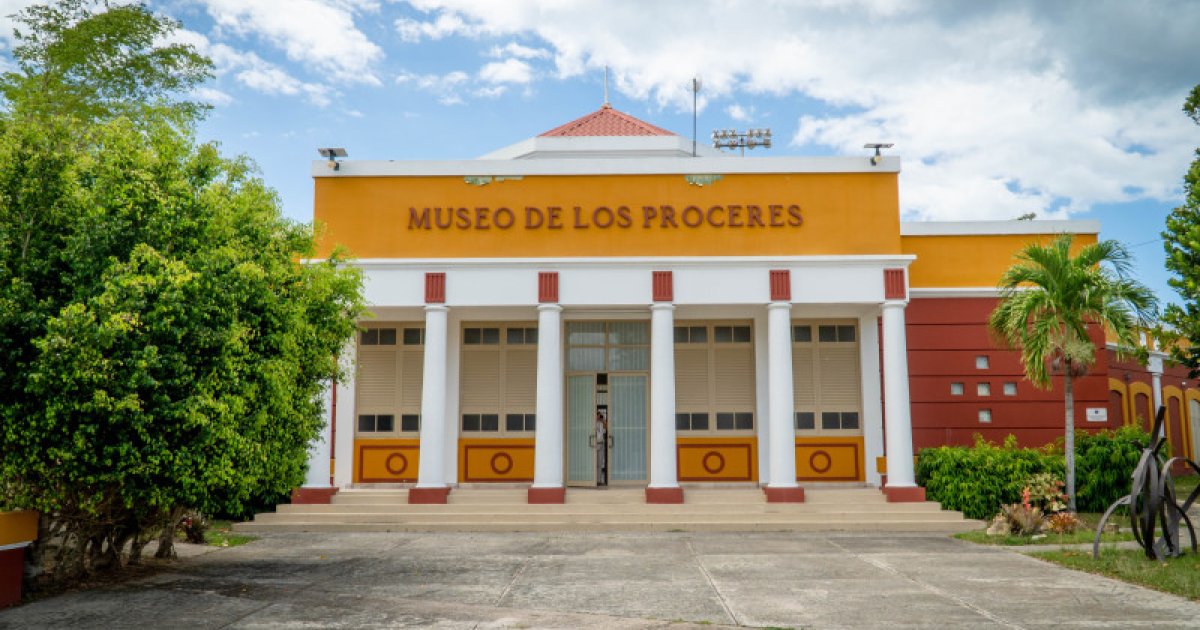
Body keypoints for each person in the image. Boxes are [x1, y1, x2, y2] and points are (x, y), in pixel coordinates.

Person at [595, 410, 608, 486]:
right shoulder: (591, 422)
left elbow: (607, 428)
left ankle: (598, 481)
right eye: (597, 414)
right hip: (593, 445)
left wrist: (603, 420)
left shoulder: (601, 423)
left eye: (599, 415)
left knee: (599, 463)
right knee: (593, 463)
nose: (598, 416)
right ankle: (592, 481)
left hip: (601, 444)